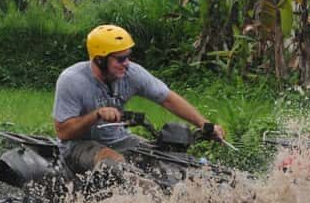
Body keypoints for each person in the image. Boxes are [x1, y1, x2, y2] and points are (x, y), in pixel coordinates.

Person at [52, 24, 226, 173]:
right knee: (116, 164)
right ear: (100, 60)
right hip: (77, 146)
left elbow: (167, 98)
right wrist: (96, 115)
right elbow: (63, 132)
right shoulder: (72, 80)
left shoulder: (131, 73)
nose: (126, 63)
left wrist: (204, 124)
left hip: (120, 140)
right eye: (120, 59)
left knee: (165, 159)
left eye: (128, 56)